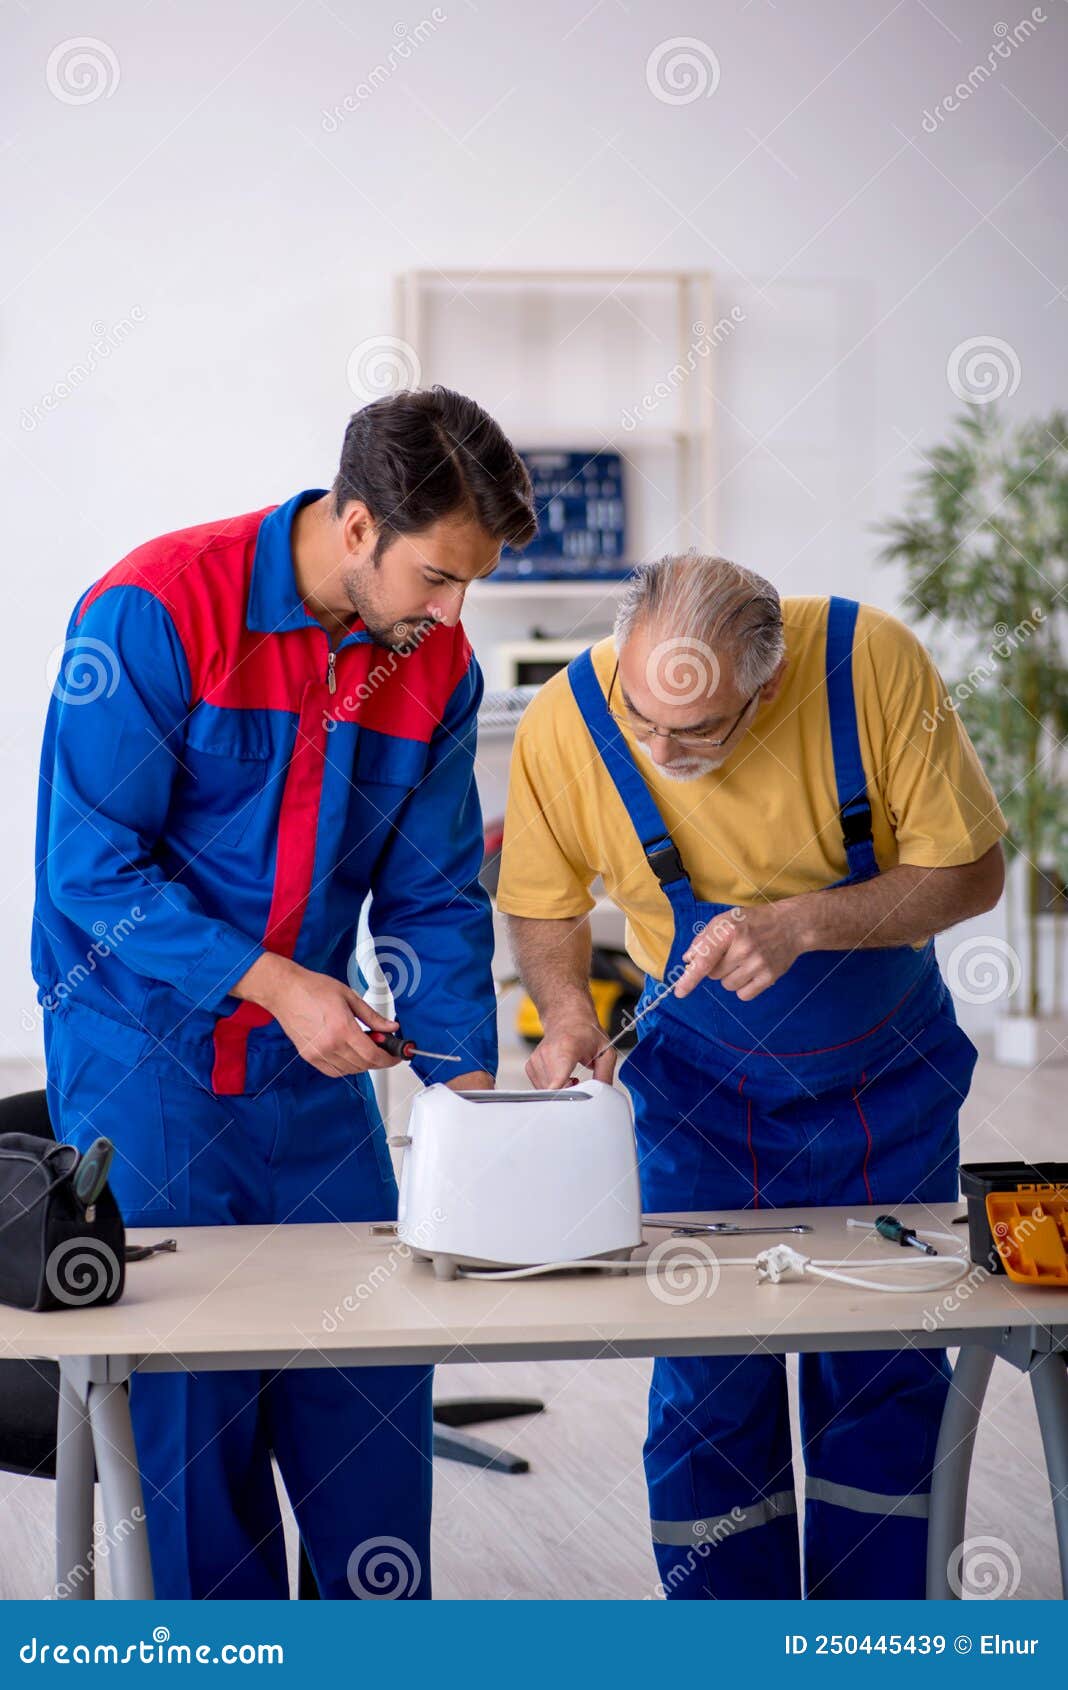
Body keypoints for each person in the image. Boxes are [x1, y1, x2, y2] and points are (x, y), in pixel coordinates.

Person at [32, 385, 536, 1598]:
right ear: (358, 527)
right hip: (144, 1068)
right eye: (437, 577)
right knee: (193, 1440)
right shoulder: (154, 610)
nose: (454, 613)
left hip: (311, 1072)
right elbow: (90, 873)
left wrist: (472, 1103)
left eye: (472, 584)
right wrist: (274, 984)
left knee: (367, 1397)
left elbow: (431, 896)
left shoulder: (435, 659)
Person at [497, 554, 1006, 1599]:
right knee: (707, 1379)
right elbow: (543, 901)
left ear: (767, 687)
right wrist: (564, 1018)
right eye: (640, 716)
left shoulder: (871, 666)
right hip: (696, 1099)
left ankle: (880, 1651)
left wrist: (806, 922)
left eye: (694, 732)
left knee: (884, 1371)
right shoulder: (568, 717)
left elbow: (975, 870)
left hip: (886, 1095)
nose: (656, 748)